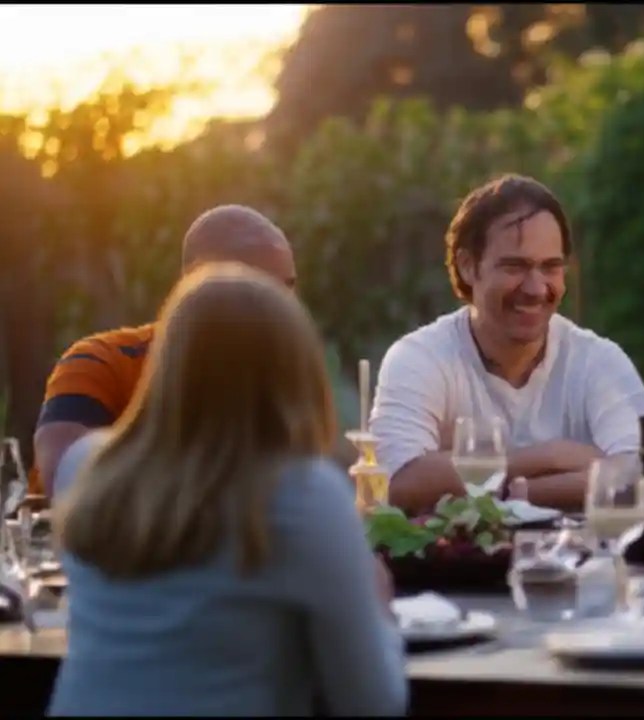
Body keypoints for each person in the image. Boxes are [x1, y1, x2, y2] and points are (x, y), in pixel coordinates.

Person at [49, 263, 406, 717]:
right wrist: (378, 610)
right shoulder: (305, 496)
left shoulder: (87, 467)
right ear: (294, 372)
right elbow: (373, 703)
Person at [371, 174, 644, 515]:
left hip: (576, 568)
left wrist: (521, 491)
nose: (535, 288)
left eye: (550, 267)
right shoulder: (420, 357)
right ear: (468, 266)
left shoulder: (596, 360)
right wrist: (550, 457)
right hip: (457, 569)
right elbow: (397, 483)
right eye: (515, 266)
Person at [31, 204, 297, 496]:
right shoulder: (101, 363)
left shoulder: (277, 385)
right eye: (262, 289)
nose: (283, 306)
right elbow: (65, 480)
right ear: (197, 283)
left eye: (287, 288)